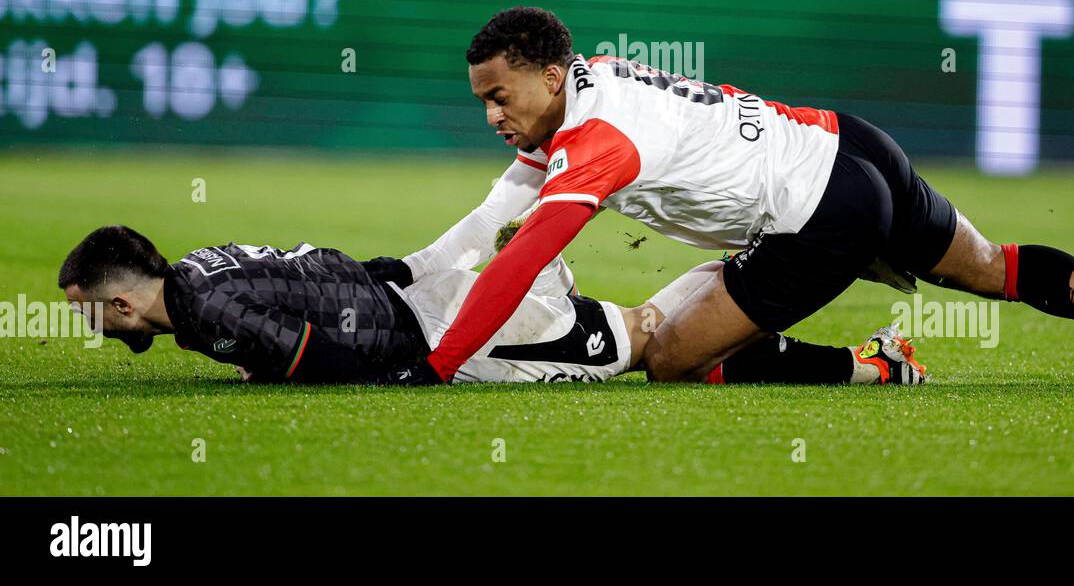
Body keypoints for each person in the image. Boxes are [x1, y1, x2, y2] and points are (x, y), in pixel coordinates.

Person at [407, 7, 1074, 390]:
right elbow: (496, 216)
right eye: (483, 98)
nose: (491, 113)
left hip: (819, 216)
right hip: (847, 141)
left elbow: (520, 257)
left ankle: (872, 366)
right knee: (991, 268)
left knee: (668, 355)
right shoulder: (596, 82)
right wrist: (412, 271)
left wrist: (440, 367)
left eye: (499, 95)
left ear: (552, 78)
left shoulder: (594, 144)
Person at [57, 224, 924, 387]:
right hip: (418, 295)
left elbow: (311, 360)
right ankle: (869, 362)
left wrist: (406, 376)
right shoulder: (202, 267)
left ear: (123, 302)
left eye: (87, 310)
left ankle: (820, 253)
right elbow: (319, 266)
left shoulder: (201, 310)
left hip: (450, 334)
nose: (88, 324)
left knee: (654, 342)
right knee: (674, 348)